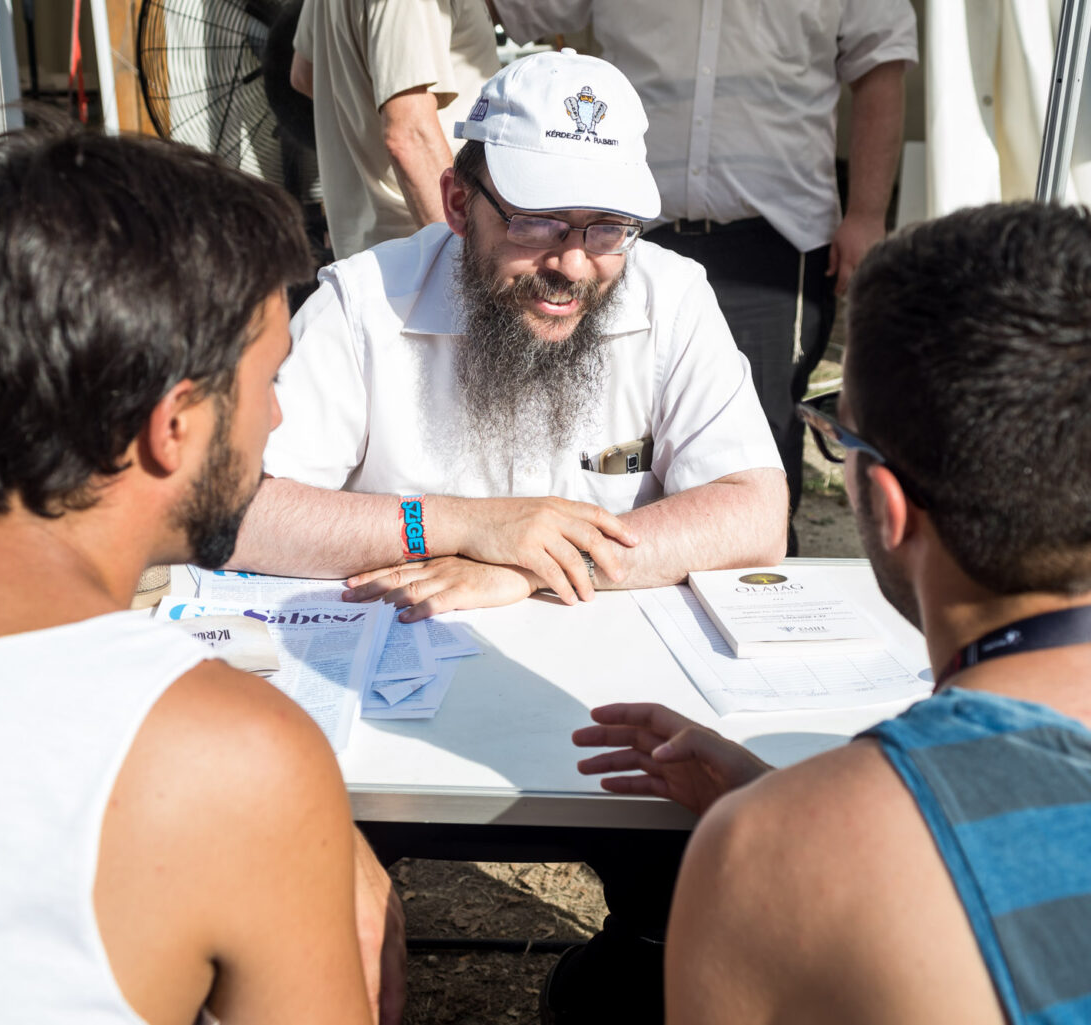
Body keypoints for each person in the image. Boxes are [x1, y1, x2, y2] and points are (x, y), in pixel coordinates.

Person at [0, 126, 404, 1024]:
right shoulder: (237, 759)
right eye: (268, 379)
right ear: (173, 425)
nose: (277, 418)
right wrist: (318, 843)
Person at [573, 202, 1091, 1024]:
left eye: (841, 437)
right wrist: (794, 797)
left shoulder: (765, 856)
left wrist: (795, 820)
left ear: (888, 502)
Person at [230, 49, 790, 620]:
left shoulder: (672, 294)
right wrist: (468, 525)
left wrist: (529, 564)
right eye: (538, 223)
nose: (573, 266)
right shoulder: (362, 303)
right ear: (457, 203)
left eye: (608, 229)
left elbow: (755, 515)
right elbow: (235, 512)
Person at [491, 0, 916, 547]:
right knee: (600, 424)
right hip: (620, 230)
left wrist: (867, 214)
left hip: (774, 234)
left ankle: (756, 590)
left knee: (762, 434)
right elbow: (507, 15)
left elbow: (880, 67)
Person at [290, 0, 499, 258]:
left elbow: (303, 74)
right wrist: (462, 262)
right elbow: (409, 135)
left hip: (372, 247)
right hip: (421, 254)